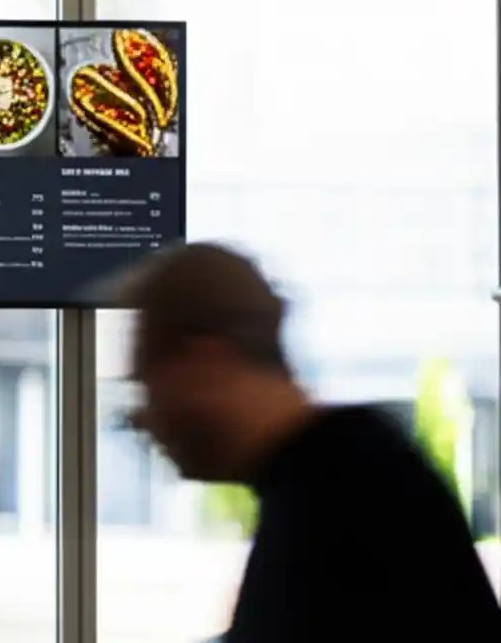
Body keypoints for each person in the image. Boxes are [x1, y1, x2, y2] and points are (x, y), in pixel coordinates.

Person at [120, 241, 501, 642]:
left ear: (206, 361)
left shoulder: (345, 491)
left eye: (148, 387)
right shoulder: (332, 471)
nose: (143, 420)